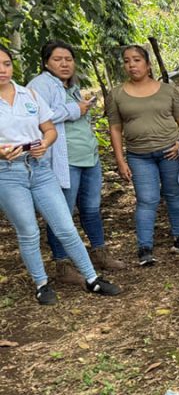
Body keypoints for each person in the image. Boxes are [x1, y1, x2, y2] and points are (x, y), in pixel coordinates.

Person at [0, 44, 121, 304]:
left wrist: (45, 142)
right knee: (28, 231)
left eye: (7, 64)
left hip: (40, 168)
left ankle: (91, 279)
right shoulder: (37, 85)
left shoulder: (28, 94)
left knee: (65, 225)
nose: (2, 70)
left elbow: (49, 128)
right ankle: (42, 284)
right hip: (8, 173)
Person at [29, 41, 125, 285]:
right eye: (58, 59)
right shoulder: (39, 85)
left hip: (88, 157)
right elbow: (38, 116)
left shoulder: (70, 85)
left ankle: (99, 253)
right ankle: (62, 264)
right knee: (62, 213)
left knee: (91, 208)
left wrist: (80, 108)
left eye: (68, 59)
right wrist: (75, 109)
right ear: (46, 63)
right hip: (65, 160)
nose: (64, 63)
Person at [106, 44, 179, 266]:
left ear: (147, 64)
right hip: (139, 155)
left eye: (136, 60)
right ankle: (145, 247)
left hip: (170, 152)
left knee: (175, 195)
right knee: (147, 200)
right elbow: (115, 128)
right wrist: (120, 160)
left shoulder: (168, 90)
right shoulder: (116, 94)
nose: (131, 65)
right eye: (127, 61)